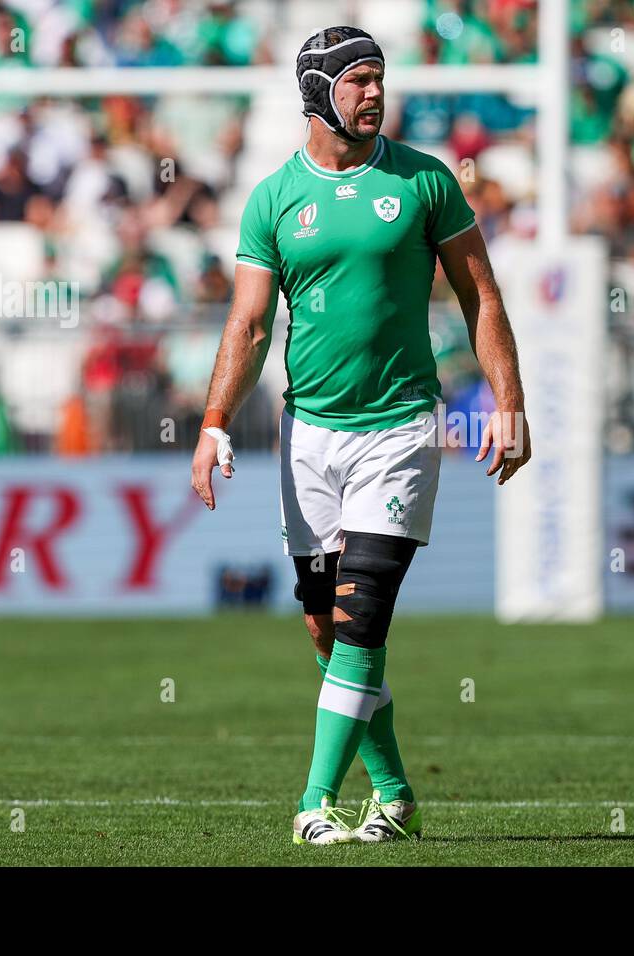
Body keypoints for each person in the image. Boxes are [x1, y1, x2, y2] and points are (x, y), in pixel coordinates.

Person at [189, 26, 531, 845]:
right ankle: (395, 792)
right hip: (308, 434)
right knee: (324, 627)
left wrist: (509, 399)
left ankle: (312, 803)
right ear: (317, 93)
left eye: (379, 77)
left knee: (361, 615)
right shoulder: (273, 198)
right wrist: (211, 424)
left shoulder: (425, 183)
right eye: (358, 81)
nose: (375, 93)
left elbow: (481, 296)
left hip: (402, 427)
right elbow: (247, 326)